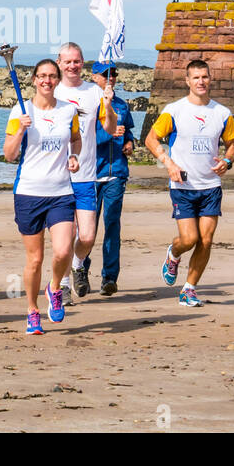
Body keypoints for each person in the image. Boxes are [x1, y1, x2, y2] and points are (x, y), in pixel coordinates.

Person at [144, 58, 234, 307]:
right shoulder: (174, 111)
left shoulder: (222, 113)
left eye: (205, 76)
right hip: (183, 186)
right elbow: (151, 139)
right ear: (187, 81)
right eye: (196, 77)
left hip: (210, 186)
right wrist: (169, 163)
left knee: (206, 240)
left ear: (210, 79)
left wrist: (227, 162)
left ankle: (189, 289)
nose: (201, 81)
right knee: (189, 240)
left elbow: (232, 145)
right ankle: (173, 255)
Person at [4, 59, 80, 335]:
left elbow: (76, 141)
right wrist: (21, 129)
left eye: (52, 76)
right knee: (35, 260)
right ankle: (32, 311)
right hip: (28, 193)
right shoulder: (20, 110)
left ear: (58, 80)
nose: (47, 80)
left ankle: (55, 287)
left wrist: (73, 157)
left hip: (61, 192)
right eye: (42, 76)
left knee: (63, 250)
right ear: (34, 80)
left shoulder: (68, 111)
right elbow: (9, 154)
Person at [53, 42, 116, 299]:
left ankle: (79, 266)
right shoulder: (51, 90)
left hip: (86, 175)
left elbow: (110, 129)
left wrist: (109, 105)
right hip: (55, 179)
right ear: (59, 63)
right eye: (67, 61)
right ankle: (64, 285)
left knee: (87, 237)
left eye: (77, 61)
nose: (72, 66)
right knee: (65, 240)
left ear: (83, 63)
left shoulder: (94, 92)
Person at [91, 62, 135, 296]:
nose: (111, 78)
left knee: (112, 224)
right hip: (91, 173)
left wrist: (129, 143)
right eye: (105, 74)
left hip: (117, 172)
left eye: (114, 74)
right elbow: (82, 138)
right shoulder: (89, 104)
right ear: (94, 77)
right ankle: (80, 272)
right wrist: (106, 134)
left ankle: (109, 278)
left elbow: (128, 132)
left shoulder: (121, 104)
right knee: (86, 229)